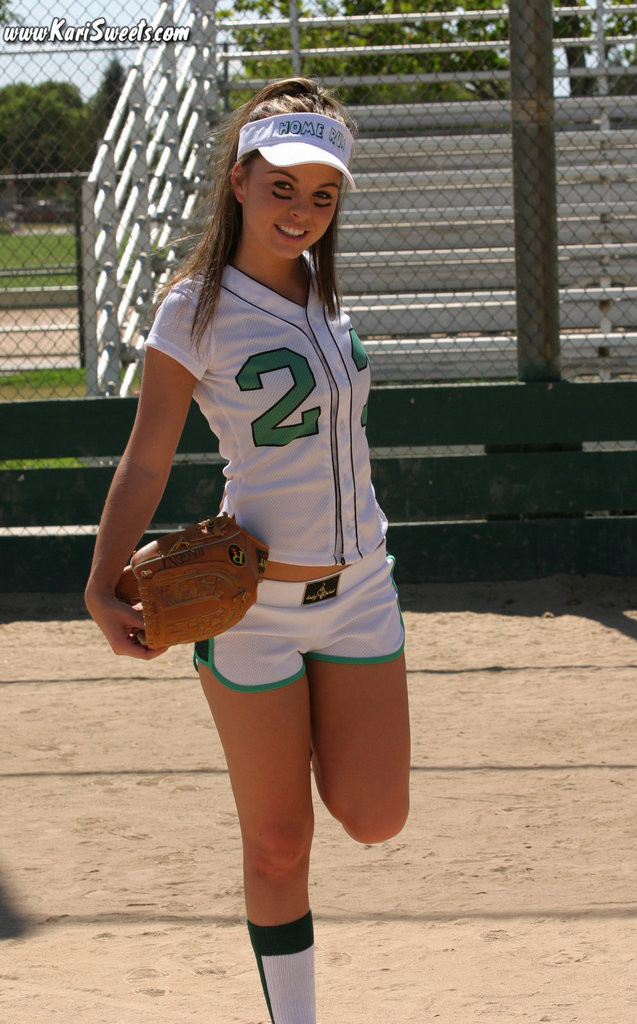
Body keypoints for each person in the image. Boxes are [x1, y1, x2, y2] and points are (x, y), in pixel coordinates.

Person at [85, 77, 410, 1024]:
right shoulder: (192, 307)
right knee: (278, 843)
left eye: (323, 194)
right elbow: (148, 461)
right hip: (254, 609)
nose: (301, 210)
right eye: (282, 187)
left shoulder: (324, 290)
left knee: (377, 815)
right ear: (238, 181)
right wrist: (102, 582)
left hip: (362, 594)